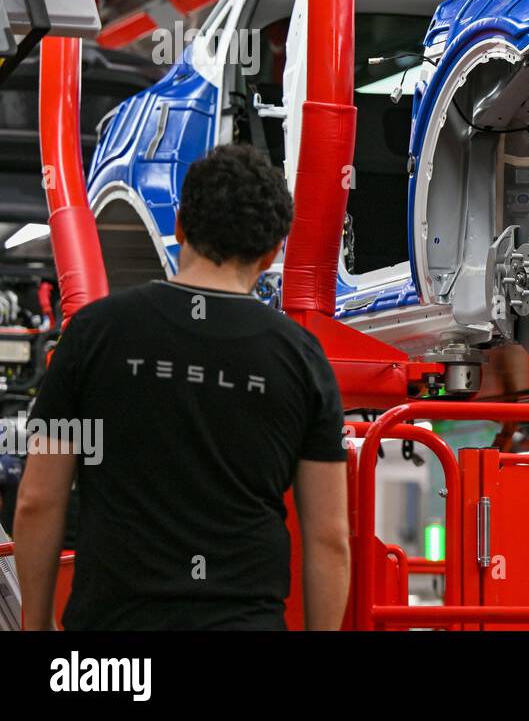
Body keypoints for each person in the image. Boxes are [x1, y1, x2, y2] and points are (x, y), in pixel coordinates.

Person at [14, 144, 350, 630]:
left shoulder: (93, 334)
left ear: (180, 227)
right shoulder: (301, 358)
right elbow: (328, 538)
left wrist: (36, 624)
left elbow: (38, 500)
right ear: (273, 251)